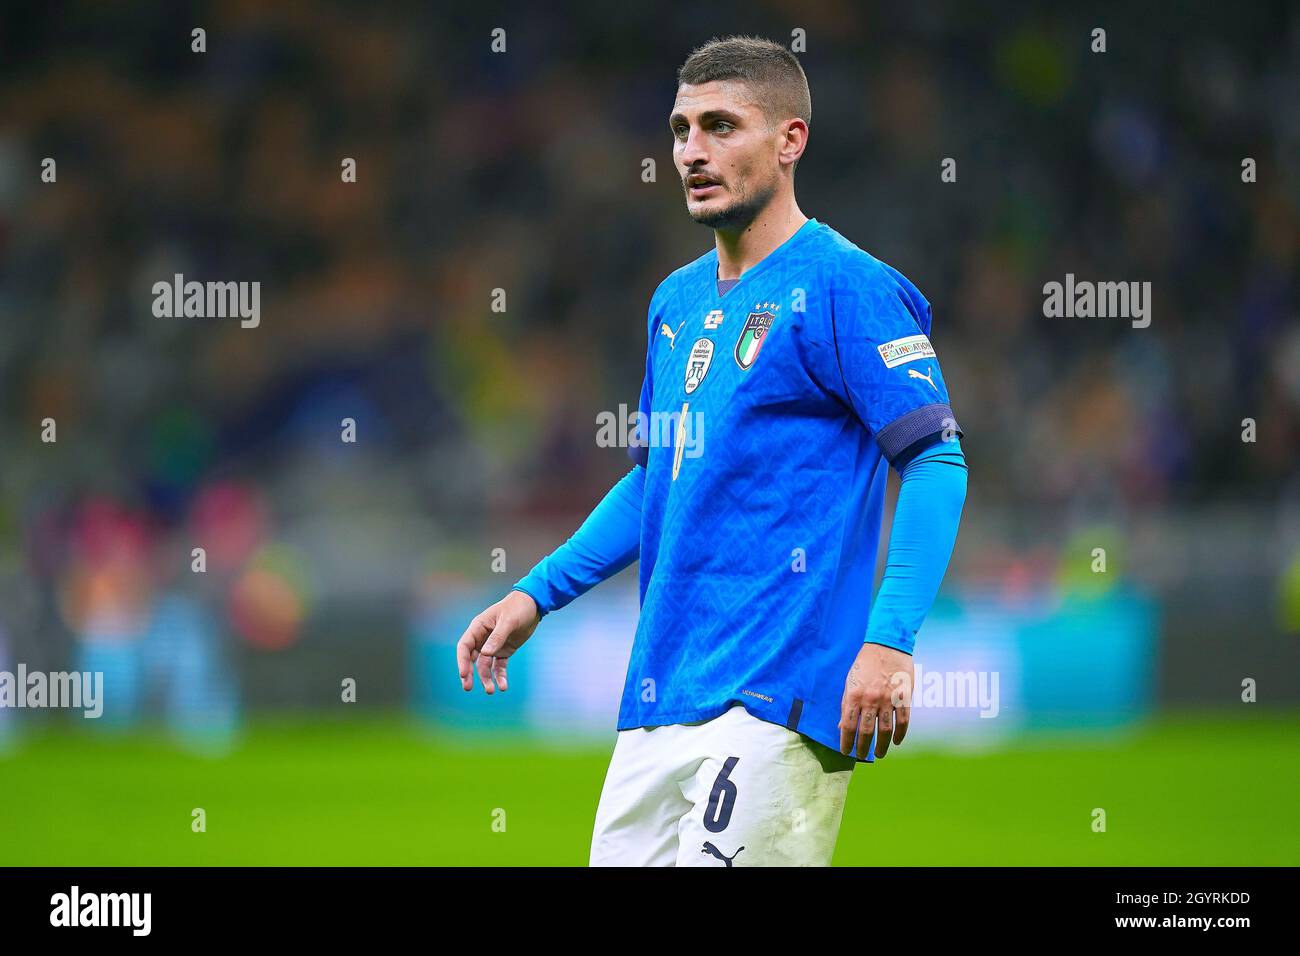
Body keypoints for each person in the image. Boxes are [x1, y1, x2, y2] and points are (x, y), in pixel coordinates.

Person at [456, 35, 968, 866]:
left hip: (777, 695)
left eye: (722, 126)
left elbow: (937, 461)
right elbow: (656, 480)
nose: (692, 152)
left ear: (789, 140)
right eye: (681, 129)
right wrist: (535, 594)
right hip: (660, 694)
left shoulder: (847, 285)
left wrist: (891, 639)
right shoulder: (675, 301)